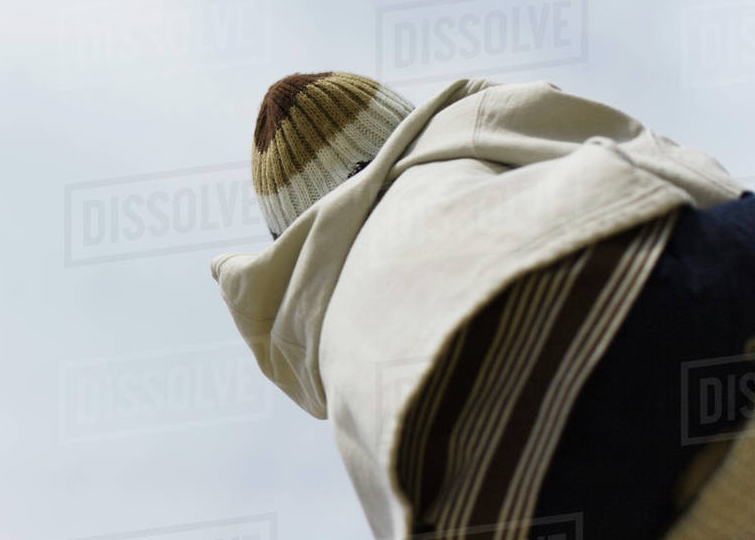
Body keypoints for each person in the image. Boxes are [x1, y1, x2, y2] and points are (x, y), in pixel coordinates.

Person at [210, 72, 755, 540]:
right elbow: (654, 159)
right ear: (400, 128)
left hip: (508, 510)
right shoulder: (454, 132)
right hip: (636, 318)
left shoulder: (320, 340)